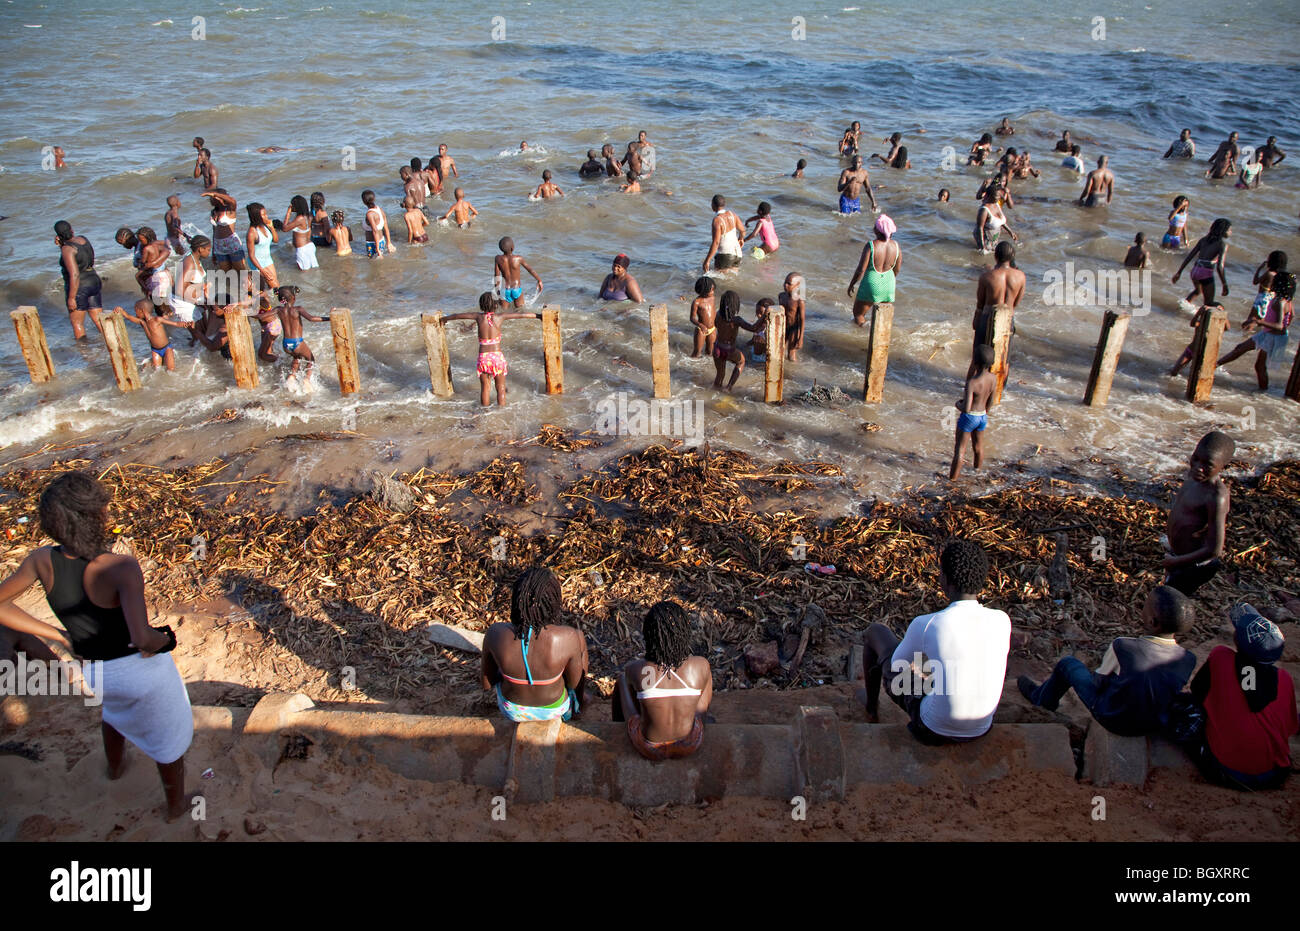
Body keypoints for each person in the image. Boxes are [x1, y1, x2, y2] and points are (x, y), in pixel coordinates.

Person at [0, 471, 196, 820]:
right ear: (95, 518)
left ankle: (116, 768)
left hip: (93, 673)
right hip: (138, 673)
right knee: (170, 741)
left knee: (115, 713)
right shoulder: (120, 567)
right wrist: (166, 639)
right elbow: (141, 638)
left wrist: (56, 634)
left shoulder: (40, 560)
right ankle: (177, 806)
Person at [858, 539, 1010, 744]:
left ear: (945, 580)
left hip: (932, 728)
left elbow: (896, 666)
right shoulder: (1001, 620)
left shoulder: (928, 624)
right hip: (981, 728)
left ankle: (871, 709)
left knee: (876, 633)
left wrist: (922, 666)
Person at [1018, 586, 1196, 736]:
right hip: (1153, 725)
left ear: (1152, 621)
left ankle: (1041, 701)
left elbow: (1098, 683)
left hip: (1111, 718)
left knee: (1068, 664)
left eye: (1145, 606)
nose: (1142, 608)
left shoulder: (1124, 647)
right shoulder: (1188, 659)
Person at [1186, 604, 1296, 790]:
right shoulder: (1284, 680)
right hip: (1272, 773)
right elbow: (1290, 726)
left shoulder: (1221, 657)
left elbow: (1197, 691)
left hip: (1225, 771)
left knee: (1185, 710)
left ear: (1237, 641)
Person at [480, 568, 587, 722]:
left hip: (512, 710)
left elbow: (486, 684)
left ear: (516, 601)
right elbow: (573, 684)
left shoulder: (495, 633)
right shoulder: (567, 637)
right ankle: (578, 707)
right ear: (554, 602)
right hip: (554, 709)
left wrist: (511, 672)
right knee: (580, 641)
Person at [613, 601, 712, 761]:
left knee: (623, 680)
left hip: (649, 747)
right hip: (691, 743)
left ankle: (618, 726)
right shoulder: (701, 665)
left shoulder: (637, 669)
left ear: (649, 636)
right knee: (699, 701)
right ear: (684, 634)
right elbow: (702, 707)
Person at [1161, 430, 1233, 597]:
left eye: (1207, 464)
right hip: (1179, 556)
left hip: (1195, 565)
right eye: (1195, 458)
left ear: (1224, 467)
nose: (1198, 467)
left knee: (1172, 601)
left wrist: (1175, 562)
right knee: (1169, 591)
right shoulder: (1193, 478)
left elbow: (1214, 549)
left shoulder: (1216, 497)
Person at [444, 292, 540, 406]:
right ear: (496, 305)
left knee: (485, 388)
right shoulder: (500, 317)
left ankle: (484, 411)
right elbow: (521, 315)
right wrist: (538, 316)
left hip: (483, 358)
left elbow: (456, 315)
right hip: (497, 358)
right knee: (501, 388)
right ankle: (501, 410)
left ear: (481, 305)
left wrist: (444, 319)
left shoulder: (478, 317)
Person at [1216, 270, 1294, 390]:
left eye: (1275, 281)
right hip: (1268, 333)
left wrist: (1258, 322)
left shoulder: (1280, 302)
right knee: (1241, 349)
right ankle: (1214, 365)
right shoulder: (1286, 300)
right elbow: (1291, 316)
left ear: (1279, 284)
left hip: (1273, 337)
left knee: (1259, 366)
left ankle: (1263, 391)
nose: (1272, 282)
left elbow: (1279, 326)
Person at [969, 241, 1026, 380]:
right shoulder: (1020, 277)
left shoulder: (987, 276)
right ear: (1012, 256)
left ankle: (970, 390)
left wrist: (976, 319)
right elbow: (1016, 302)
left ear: (995, 256)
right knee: (1004, 360)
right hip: (1007, 319)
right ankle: (997, 394)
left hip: (987, 318)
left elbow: (980, 304)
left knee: (977, 359)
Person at [950, 344, 996, 479]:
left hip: (969, 418)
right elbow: (991, 401)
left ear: (974, 363)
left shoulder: (972, 382)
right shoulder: (993, 378)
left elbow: (967, 408)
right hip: (982, 416)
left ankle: (952, 479)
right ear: (991, 363)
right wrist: (985, 412)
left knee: (960, 450)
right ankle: (977, 472)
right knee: (978, 447)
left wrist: (958, 404)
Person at [847, 213, 900, 327]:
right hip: (888, 284)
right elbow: (897, 269)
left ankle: (864, 334)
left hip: (872, 283)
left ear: (876, 231)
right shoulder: (896, 246)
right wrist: (886, 281)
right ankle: (880, 338)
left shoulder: (871, 245)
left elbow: (861, 270)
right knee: (883, 317)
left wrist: (852, 284)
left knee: (859, 315)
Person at [54, 220, 103, 339]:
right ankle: (111, 343)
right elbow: (85, 259)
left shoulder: (67, 249)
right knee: (99, 320)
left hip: (80, 286)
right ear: (72, 230)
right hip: (93, 280)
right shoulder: (83, 239)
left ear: (58, 236)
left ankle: (85, 352)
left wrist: (71, 298)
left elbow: (74, 274)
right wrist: (62, 245)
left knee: (77, 323)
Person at [1173, 217, 1230, 310]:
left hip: (1195, 271)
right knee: (1209, 303)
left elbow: (1190, 256)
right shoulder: (1222, 244)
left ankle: (1181, 308)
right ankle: (1204, 319)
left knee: (1197, 291)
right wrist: (1224, 284)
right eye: (1229, 230)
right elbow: (1220, 267)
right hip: (1205, 274)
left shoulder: (1204, 240)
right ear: (1223, 231)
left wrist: (1179, 272)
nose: (1230, 232)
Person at [276, 285, 329, 383]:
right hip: (297, 343)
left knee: (296, 357)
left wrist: (248, 313)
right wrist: (329, 318)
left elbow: (262, 316)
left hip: (286, 344)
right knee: (311, 360)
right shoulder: (298, 309)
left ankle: (292, 376)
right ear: (293, 298)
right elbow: (311, 318)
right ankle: (307, 379)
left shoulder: (278, 309)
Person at [711, 290, 761, 390]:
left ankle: (714, 391)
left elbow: (716, 325)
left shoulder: (718, 314)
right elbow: (753, 328)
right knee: (741, 362)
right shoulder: (737, 320)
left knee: (720, 375)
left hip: (717, 348)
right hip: (729, 350)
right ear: (735, 306)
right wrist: (763, 317)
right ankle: (729, 387)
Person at [119, 299, 187, 371]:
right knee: (156, 370)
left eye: (136, 311)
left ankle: (150, 364)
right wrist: (122, 311)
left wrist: (185, 324)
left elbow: (175, 323)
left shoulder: (157, 320)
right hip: (155, 350)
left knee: (170, 369)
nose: (136, 314)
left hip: (166, 348)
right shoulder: (143, 322)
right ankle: (147, 365)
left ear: (142, 310)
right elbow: (129, 317)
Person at [200, 190, 245, 295]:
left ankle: (248, 294)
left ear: (220, 198)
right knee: (226, 274)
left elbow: (233, 201)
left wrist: (214, 194)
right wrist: (213, 251)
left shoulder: (230, 210)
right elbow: (214, 231)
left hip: (232, 244)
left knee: (241, 272)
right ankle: (233, 295)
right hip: (219, 246)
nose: (210, 200)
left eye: (212, 198)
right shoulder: (214, 212)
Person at [494, 237, 541, 307]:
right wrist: (539, 280)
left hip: (505, 290)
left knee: (504, 313)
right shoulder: (518, 258)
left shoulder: (498, 259)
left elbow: (496, 276)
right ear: (512, 248)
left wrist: (497, 292)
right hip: (516, 289)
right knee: (520, 311)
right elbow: (530, 270)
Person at [702, 195, 744, 272]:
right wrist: (741, 238)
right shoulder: (733, 215)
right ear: (724, 204)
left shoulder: (717, 220)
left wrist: (707, 260)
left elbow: (716, 242)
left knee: (719, 281)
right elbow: (742, 230)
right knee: (731, 280)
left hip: (725, 254)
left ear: (713, 205)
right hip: (738, 253)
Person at [245, 202, 279, 289]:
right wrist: (262, 271)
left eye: (266, 214)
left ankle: (271, 300)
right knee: (274, 287)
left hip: (268, 260)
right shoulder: (252, 233)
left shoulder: (265, 226)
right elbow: (251, 256)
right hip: (257, 263)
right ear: (257, 217)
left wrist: (271, 227)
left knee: (275, 286)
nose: (266, 216)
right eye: (264, 215)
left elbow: (276, 240)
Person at [973, 186, 1016, 253]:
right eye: (996, 195)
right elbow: (979, 228)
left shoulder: (996, 204)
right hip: (985, 238)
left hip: (994, 237)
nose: (998, 197)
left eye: (999, 195)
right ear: (989, 195)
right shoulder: (984, 210)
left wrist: (1010, 232)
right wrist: (982, 247)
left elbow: (1001, 221)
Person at [282, 195, 317, 271]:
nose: (291, 206)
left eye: (292, 205)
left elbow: (284, 228)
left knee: (305, 274)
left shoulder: (299, 219)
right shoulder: (309, 216)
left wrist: (288, 213)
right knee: (312, 272)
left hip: (303, 249)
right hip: (310, 246)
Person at [690, 276, 717, 358]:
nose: (713, 292)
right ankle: (690, 366)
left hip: (712, 329)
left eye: (713, 290)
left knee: (710, 351)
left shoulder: (712, 298)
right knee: (697, 352)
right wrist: (700, 325)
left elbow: (713, 311)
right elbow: (692, 318)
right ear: (704, 290)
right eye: (711, 290)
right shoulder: (697, 302)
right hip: (701, 330)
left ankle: (704, 366)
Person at [779, 272, 805, 362]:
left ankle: (791, 374)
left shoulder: (799, 300)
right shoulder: (781, 296)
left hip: (794, 328)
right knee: (779, 350)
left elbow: (802, 319)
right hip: (783, 327)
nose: (785, 285)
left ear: (797, 285)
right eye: (785, 282)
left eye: (789, 284)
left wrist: (801, 338)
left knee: (791, 354)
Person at [361, 189, 393, 258]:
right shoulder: (379, 209)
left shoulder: (370, 214)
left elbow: (375, 231)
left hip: (373, 244)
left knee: (373, 265)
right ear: (374, 199)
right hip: (382, 240)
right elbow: (386, 227)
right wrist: (389, 243)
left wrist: (377, 249)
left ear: (363, 202)